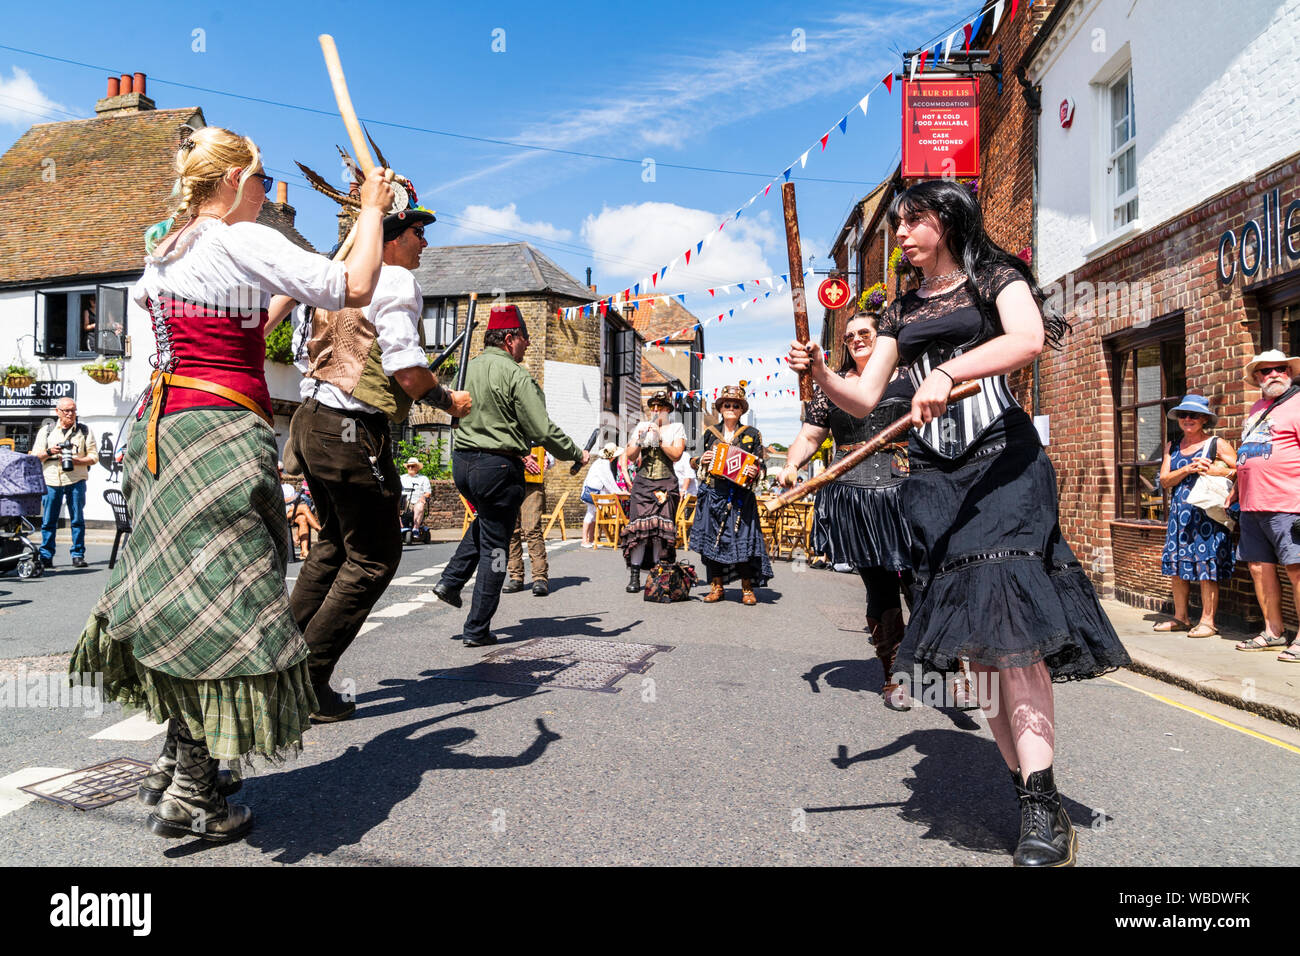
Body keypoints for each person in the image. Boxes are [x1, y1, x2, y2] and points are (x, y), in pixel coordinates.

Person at [788, 178, 1130, 867]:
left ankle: (1042, 804)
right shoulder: (899, 312)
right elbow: (861, 398)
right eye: (901, 225)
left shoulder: (994, 277)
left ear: (945, 220)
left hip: (1004, 468)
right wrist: (823, 372)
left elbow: (1028, 338)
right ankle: (1023, 783)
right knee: (980, 653)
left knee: (1015, 633)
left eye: (912, 223)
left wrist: (949, 374)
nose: (904, 236)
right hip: (937, 483)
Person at [68, 125, 396, 842]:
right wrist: (371, 208)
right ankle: (194, 791)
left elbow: (252, 314)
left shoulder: (171, 247)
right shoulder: (237, 238)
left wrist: (299, 275)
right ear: (234, 180)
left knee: (184, 596)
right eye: (260, 176)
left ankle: (182, 762)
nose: (263, 187)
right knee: (228, 604)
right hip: (217, 434)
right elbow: (357, 285)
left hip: (163, 435)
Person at [287, 171, 470, 721]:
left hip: (312, 423)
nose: (426, 243)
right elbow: (407, 373)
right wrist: (447, 400)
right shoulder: (394, 282)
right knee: (374, 558)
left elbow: (303, 356)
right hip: (349, 430)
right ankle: (306, 679)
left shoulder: (340, 277)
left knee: (333, 549)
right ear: (393, 234)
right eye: (418, 231)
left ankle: (279, 659)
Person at [780, 312, 918, 709]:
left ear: (882, 337)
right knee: (880, 588)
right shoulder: (831, 387)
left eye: (866, 333)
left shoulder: (909, 377)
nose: (857, 339)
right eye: (850, 336)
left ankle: (945, 667)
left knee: (920, 583)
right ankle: (895, 676)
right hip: (854, 497)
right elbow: (809, 435)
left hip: (905, 491)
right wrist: (792, 464)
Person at [433, 305, 588, 646]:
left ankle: (450, 580)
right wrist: (576, 453)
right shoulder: (516, 375)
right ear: (509, 338)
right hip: (499, 468)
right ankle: (476, 629)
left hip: (462, 463)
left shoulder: (467, 369)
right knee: (496, 550)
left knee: (489, 522)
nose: (528, 345)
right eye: (524, 338)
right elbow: (541, 429)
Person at [1230, 350, 1300, 661]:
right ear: (1257, 378)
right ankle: (1273, 632)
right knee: (1259, 569)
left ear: (1289, 372)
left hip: (1289, 503)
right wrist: (1235, 489)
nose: (1273, 374)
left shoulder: (1298, 405)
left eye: (1280, 369)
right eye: (1266, 370)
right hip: (1251, 505)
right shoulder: (1256, 408)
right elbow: (1248, 455)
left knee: (1297, 570)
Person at [1156, 395, 1236, 638]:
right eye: (1183, 415)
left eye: (1193, 415)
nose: (1187, 419)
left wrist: (1214, 469)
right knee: (1178, 566)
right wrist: (1187, 468)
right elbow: (1165, 480)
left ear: (1204, 419)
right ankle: (1181, 617)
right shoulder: (1173, 445)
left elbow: (1238, 470)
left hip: (1207, 515)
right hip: (1180, 515)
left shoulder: (1216, 443)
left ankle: (1208, 621)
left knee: (1206, 566)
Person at [690, 384, 770, 604]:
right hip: (714, 492)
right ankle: (717, 587)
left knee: (742, 540)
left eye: (736, 405)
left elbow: (761, 464)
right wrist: (701, 460)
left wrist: (756, 470)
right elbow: (693, 460)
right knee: (712, 543)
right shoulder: (710, 433)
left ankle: (747, 589)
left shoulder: (752, 434)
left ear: (741, 409)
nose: (731, 408)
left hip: (740, 496)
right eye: (727, 404)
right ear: (720, 408)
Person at [622, 390, 685, 593]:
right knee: (639, 531)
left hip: (666, 482)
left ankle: (656, 576)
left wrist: (659, 440)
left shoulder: (676, 428)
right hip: (643, 483)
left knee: (660, 532)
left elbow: (676, 455)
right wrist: (640, 440)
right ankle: (634, 575)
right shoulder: (642, 426)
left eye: (660, 407)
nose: (656, 410)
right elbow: (630, 456)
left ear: (668, 409)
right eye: (653, 407)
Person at [32, 398, 94, 569]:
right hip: (51, 480)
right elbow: (35, 456)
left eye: (73, 410)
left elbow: (94, 457)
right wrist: (50, 452)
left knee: (77, 520)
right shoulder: (47, 431)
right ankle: (46, 556)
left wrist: (75, 459)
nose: (70, 414)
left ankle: (78, 555)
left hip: (76, 479)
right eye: (66, 410)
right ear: (57, 411)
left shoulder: (84, 430)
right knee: (48, 521)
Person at [503, 446, 555, 596]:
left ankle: (540, 578)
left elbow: (548, 446)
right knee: (511, 530)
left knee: (532, 529)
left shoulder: (536, 425)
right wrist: (522, 457)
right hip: (508, 480)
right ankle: (516, 577)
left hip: (532, 482)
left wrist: (547, 458)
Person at [580, 442, 622, 547]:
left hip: (592, 490)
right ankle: (584, 540)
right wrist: (619, 492)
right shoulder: (604, 464)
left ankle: (591, 539)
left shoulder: (600, 462)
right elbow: (609, 481)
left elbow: (607, 481)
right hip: (593, 491)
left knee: (593, 515)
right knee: (590, 514)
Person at [281, 463, 322, 561]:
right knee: (303, 508)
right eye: (278, 470)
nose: (280, 472)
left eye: (281, 470)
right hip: (281, 512)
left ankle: (304, 551)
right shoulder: (274, 486)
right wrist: (292, 498)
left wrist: (295, 499)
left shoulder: (288, 486)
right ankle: (320, 530)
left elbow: (296, 499)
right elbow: (278, 501)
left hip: (292, 512)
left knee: (303, 519)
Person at [400, 457, 433, 535]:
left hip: (417, 501)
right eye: (409, 466)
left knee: (420, 505)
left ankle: (416, 528)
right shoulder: (402, 478)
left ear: (417, 468)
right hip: (404, 502)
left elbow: (428, 493)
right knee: (396, 504)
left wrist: (423, 497)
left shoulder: (423, 478)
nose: (410, 468)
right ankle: (400, 527)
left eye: (413, 466)